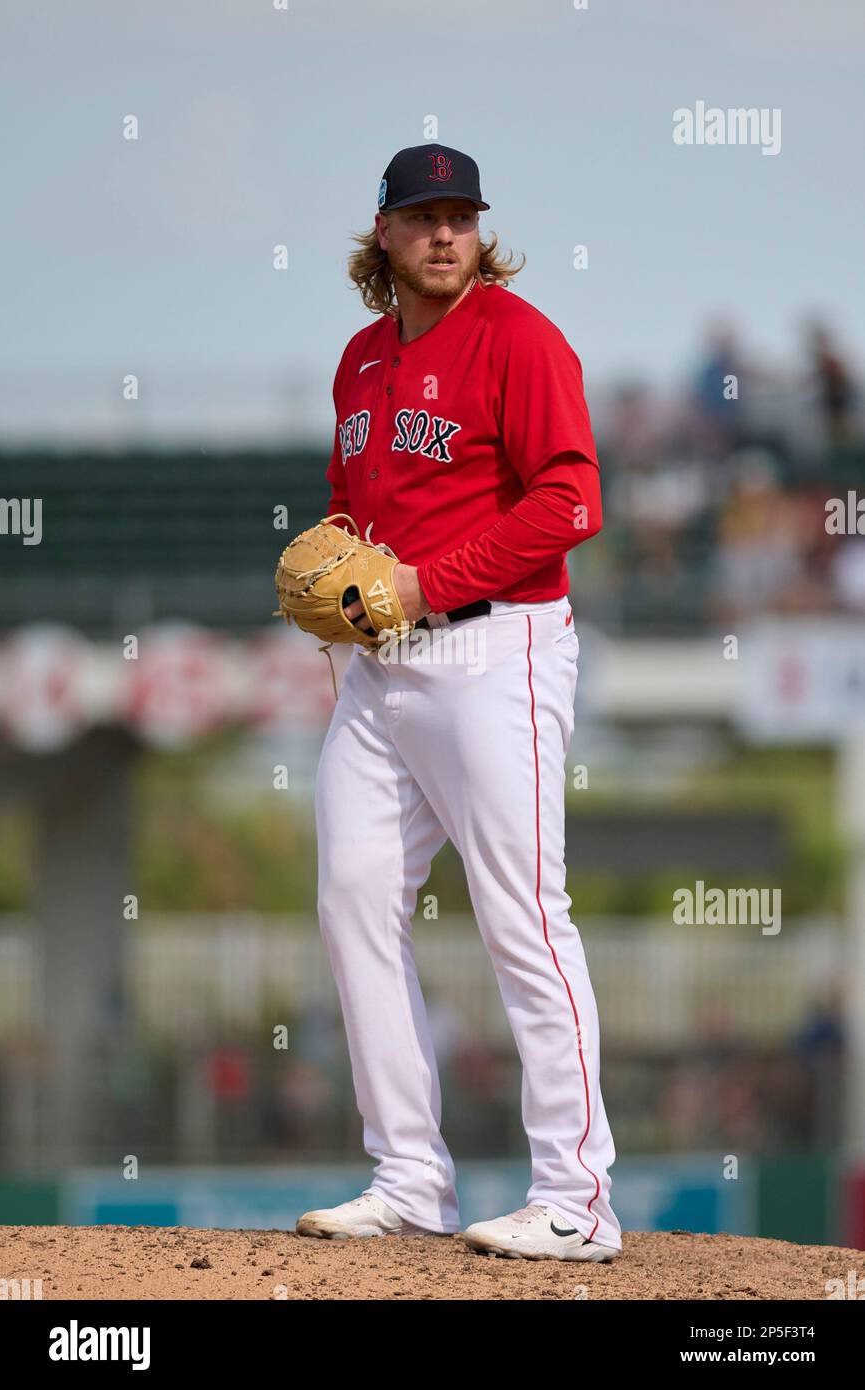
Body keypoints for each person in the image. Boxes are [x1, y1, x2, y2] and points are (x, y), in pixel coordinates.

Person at [295, 144, 621, 1262]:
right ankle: (408, 1175)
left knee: (523, 917)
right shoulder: (358, 362)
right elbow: (350, 509)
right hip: (380, 671)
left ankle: (576, 1197)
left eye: (460, 215)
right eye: (422, 215)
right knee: (349, 898)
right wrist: (338, 573)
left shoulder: (518, 340)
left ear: (479, 231)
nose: (444, 232)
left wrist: (430, 580)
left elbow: (572, 500)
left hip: (497, 650)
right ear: (381, 234)